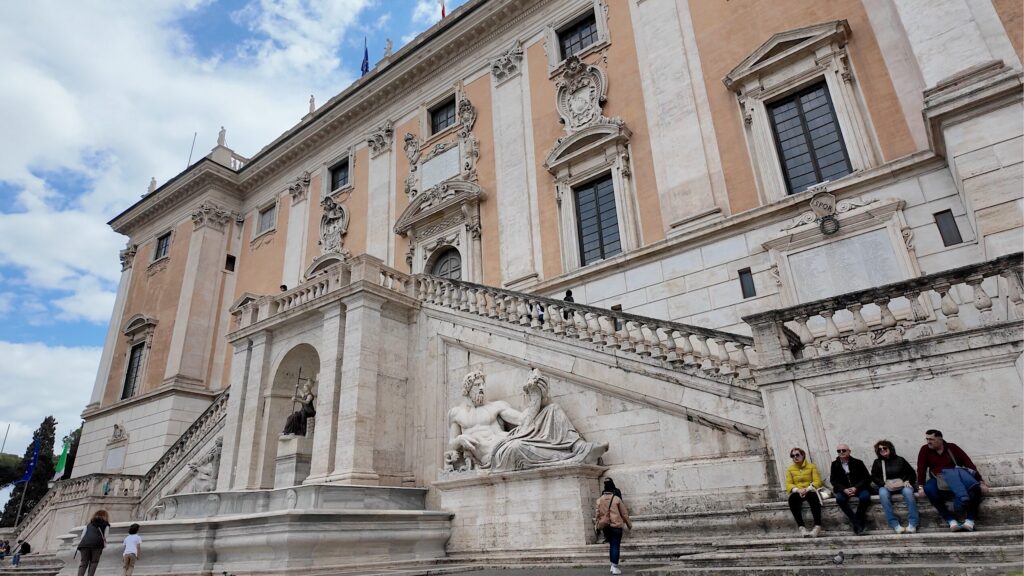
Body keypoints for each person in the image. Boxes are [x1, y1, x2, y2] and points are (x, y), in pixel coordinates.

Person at [916, 429, 986, 531]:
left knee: (975, 488)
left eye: (931, 439)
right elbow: (921, 468)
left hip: (956, 477)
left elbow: (968, 463)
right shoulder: (925, 449)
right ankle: (951, 520)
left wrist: (980, 481)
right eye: (927, 439)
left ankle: (970, 521)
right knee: (929, 489)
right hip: (938, 479)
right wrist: (921, 486)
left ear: (940, 439)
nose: (928, 442)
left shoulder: (952, 447)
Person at [870, 439, 919, 534]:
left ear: (890, 448)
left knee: (908, 492)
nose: (883, 450)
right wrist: (883, 484)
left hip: (902, 485)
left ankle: (913, 523)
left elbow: (912, 473)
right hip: (886, 486)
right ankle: (895, 524)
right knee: (882, 494)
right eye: (880, 449)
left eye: (885, 448)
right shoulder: (877, 462)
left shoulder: (900, 459)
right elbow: (874, 477)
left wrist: (907, 481)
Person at [829, 443, 872, 534]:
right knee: (839, 499)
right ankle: (856, 522)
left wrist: (856, 487)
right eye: (839, 451)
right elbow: (833, 481)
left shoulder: (858, 462)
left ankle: (858, 519)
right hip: (844, 489)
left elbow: (867, 478)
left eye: (843, 450)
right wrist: (844, 489)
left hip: (859, 488)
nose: (841, 452)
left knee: (865, 497)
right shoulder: (834, 464)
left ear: (849, 451)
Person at [594, 478, 632, 575]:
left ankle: (612, 565)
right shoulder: (616, 499)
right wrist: (629, 524)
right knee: (615, 545)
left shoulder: (599, 500)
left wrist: (597, 525)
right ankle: (614, 566)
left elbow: (597, 514)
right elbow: (624, 513)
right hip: (616, 525)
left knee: (612, 545)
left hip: (606, 526)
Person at [785, 447, 823, 537]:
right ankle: (801, 528)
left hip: (810, 490)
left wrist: (807, 489)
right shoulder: (790, 469)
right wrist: (798, 490)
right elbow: (788, 484)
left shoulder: (811, 466)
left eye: (797, 455)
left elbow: (817, 481)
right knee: (792, 500)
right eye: (792, 456)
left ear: (803, 455)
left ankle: (817, 526)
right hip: (798, 492)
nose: (795, 457)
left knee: (814, 498)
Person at [77, 509, 110, 576]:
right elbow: (105, 536)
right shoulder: (106, 525)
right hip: (97, 545)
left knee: (83, 563)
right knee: (94, 563)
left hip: (84, 545)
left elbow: (82, 536)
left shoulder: (89, 524)